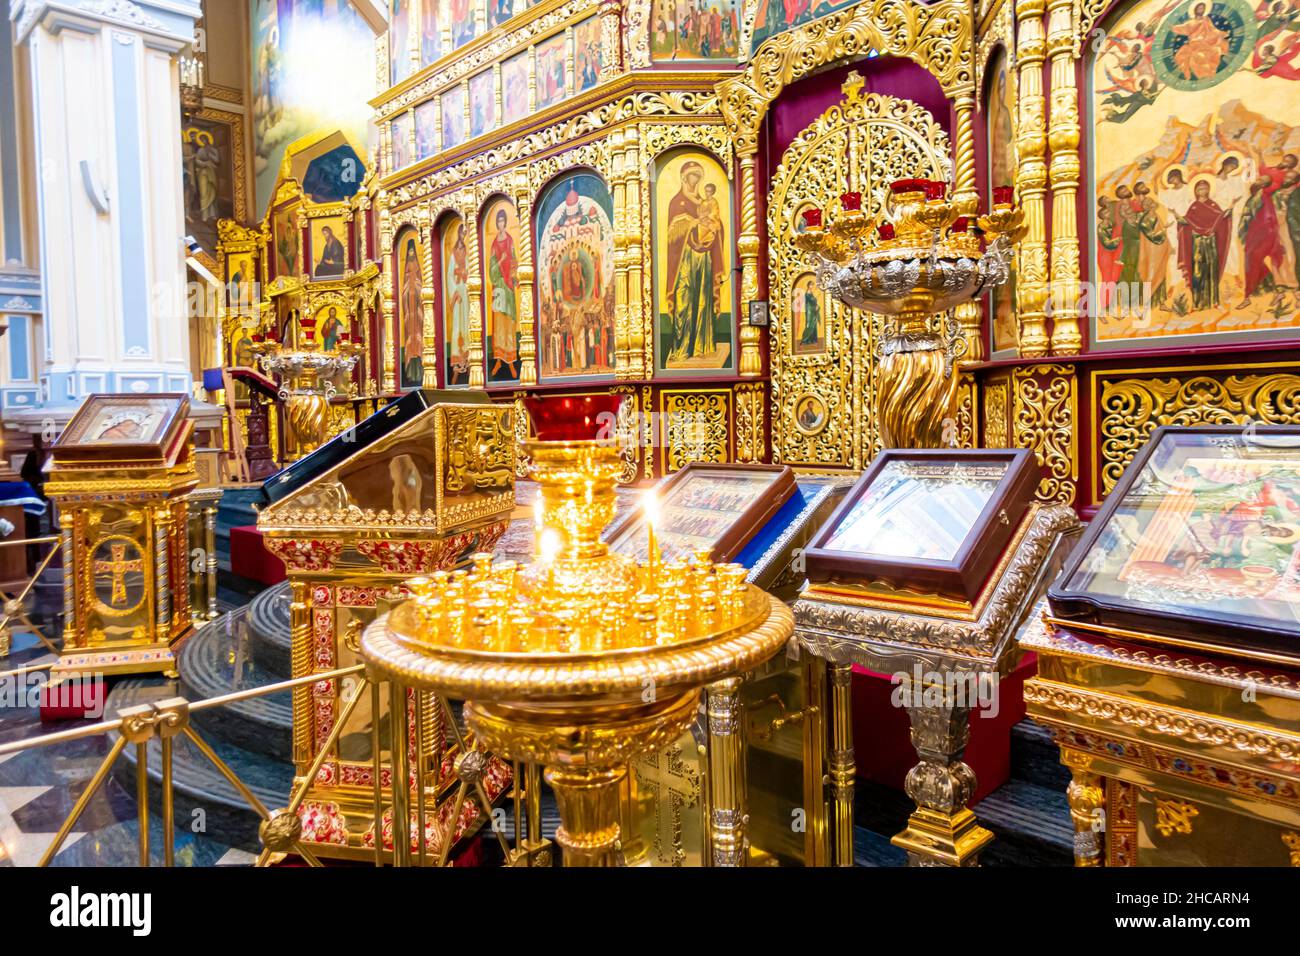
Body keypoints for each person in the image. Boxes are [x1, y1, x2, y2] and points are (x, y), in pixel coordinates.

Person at [665, 161, 723, 364]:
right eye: (692, 176)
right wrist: (691, 222)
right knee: (683, 300)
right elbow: (672, 234)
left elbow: (717, 223)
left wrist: (713, 226)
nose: (695, 181)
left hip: (703, 256)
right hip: (684, 258)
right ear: (684, 178)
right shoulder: (676, 202)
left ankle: (701, 346)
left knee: (703, 299)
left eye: (698, 177)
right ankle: (680, 348)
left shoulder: (705, 201)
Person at [1178, 178, 1234, 309]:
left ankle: (1214, 301)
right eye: (1199, 188)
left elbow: (1220, 220)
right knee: (1197, 272)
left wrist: (1227, 214)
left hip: (1210, 242)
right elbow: (1187, 222)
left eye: (1204, 188)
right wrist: (1181, 221)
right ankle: (1197, 302)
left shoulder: (1213, 205)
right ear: (1195, 191)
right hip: (1197, 242)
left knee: (1212, 270)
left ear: (1209, 190)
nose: (1202, 191)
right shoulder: (1193, 206)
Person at [486, 208, 519, 379]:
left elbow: (514, 261)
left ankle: (511, 361)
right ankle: (499, 359)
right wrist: (501, 260)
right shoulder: (493, 244)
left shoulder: (510, 240)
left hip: (508, 288)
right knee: (498, 325)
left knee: (509, 325)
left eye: (502, 221)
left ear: (505, 222)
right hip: (498, 288)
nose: (500, 224)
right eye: (498, 221)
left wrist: (515, 276)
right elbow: (491, 269)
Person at [1171, 2, 1231, 80]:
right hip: (1196, 43)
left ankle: (1210, 70)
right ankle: (1206, 73)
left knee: (1219, 47)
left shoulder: (1206, 19)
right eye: (1199, 8)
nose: (1201, 10)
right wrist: (1172, 27)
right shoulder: (1190, 23)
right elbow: (1182, 28)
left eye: (1202, 8)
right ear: (1195, 10)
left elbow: (1212, 29)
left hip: (1208, 40)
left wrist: (1219, 34)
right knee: (1200, 56)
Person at [401, 237, 423, 387]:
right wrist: (409, 287)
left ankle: (421, 369)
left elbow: (420, 280)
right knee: (410, 338)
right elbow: (403, 288)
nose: (410, 254)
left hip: (417, 309)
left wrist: (416, 285)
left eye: (411, 251)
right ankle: (410, 371)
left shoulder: (417, 266)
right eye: (407, 252)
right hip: (410, 309)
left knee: (419, 338)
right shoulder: (407, 268)